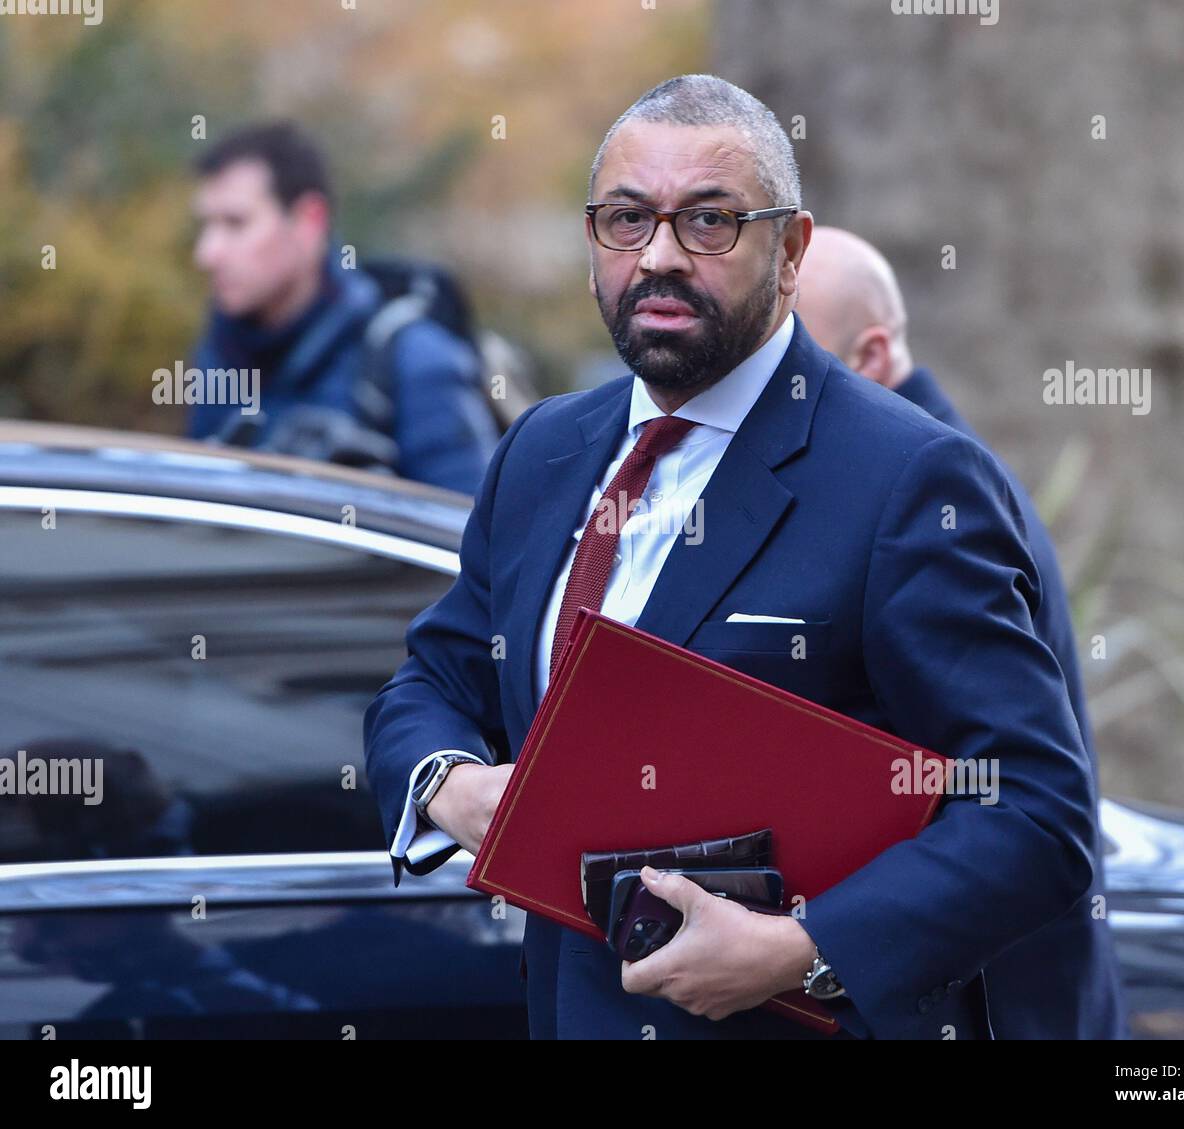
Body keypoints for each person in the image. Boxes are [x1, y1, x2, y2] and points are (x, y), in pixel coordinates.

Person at [365, 74, 1108, 1039]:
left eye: (709, 222)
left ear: (791, 250)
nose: (660, 256)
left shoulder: (911, 478)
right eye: (626, 220)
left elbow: (1034, 808)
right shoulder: (542, 451)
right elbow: (433, 679)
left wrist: (808, 947)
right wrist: (448, 784)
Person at [796, 226, 1124, 1038]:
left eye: (792, 350)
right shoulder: (923, 476)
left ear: (871, 353)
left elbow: (1019, 796)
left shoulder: (932, 497)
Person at [187, 121, 498, 493]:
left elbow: (476, 539)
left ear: (308, 221)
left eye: (235, 223)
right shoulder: (219, 352)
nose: (207, 253)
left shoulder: (412, 360)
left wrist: (374, 504)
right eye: (206, 225)